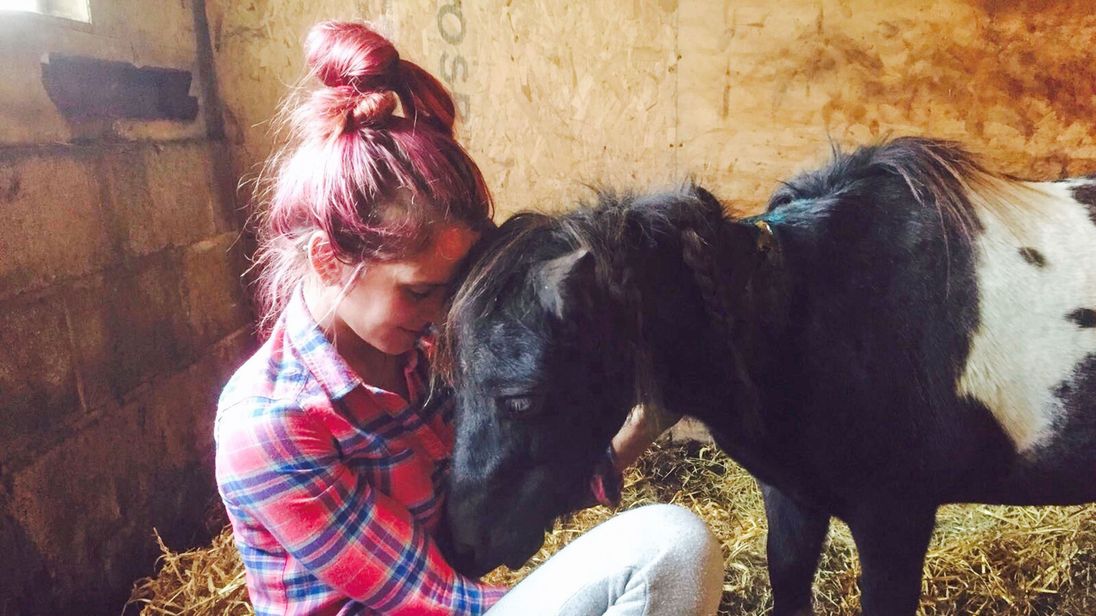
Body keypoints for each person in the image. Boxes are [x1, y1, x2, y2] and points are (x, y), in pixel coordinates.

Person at [214, 20, 724, 616]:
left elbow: (510, 485)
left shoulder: (425, 351)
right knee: (669, 548)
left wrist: (642, 426)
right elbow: (433, 598)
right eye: (420, 291)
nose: (437, 315)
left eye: (450, 293)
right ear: (328, 258)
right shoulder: (268, 424)